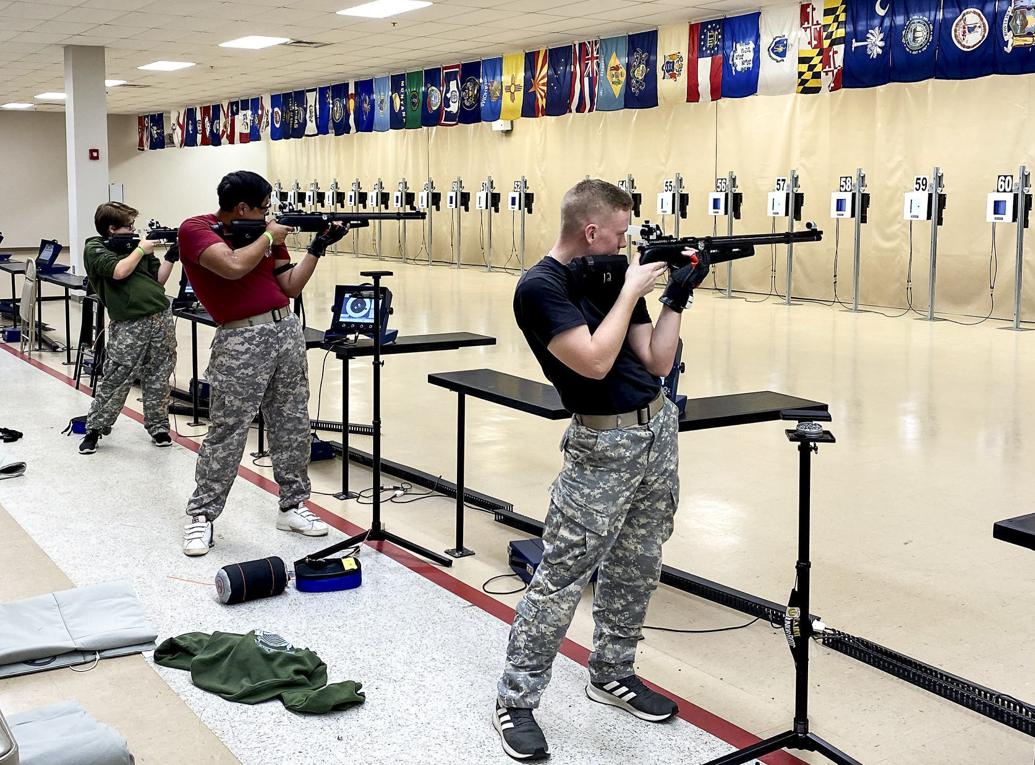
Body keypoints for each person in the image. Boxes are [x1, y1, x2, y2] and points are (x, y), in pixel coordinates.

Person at [493, 180, 709, 761]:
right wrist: (632, 286)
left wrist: (675, 299)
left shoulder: (612, 276)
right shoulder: (538, 288)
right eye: (619, 233)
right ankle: (516, 699)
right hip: (600, 443)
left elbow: (657, 360)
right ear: (591, 232)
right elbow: (591, 362)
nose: (627, 243)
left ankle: (612, 671)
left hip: (656, 431)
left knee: (639, 562)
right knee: (562, 574)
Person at [176, 170, 346, 557]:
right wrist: (270, 234)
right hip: (240, 339)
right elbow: (232, 266)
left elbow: (289, 286)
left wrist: (318, 246)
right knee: (228, 430)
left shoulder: (263, 235)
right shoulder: (196, 229)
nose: (269, 215)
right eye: (263, 209)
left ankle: (293, 505)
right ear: (242, 208)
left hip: (284, 329)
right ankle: (202, 516)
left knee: (293, 424)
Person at [80, 202, 178, 454]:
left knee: (158, 375)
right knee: (117, 375)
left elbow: (159, 281)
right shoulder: (95, 247)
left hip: (160, 316)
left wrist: (171, 256)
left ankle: (158, 427)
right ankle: (95, 428)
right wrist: (141, 249)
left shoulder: (137, 247)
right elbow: (119, 271)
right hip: (129, 323)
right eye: (129, 225)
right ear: (111, 229)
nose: (134, 230)